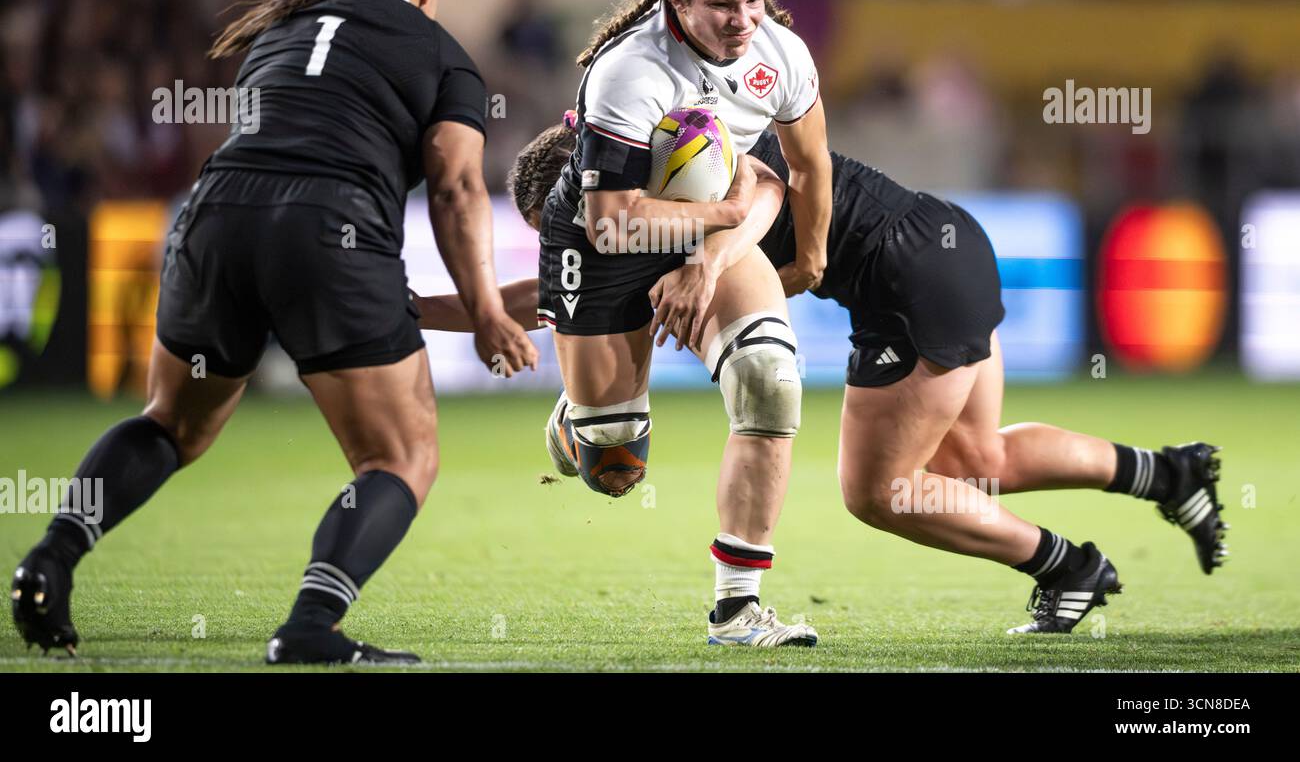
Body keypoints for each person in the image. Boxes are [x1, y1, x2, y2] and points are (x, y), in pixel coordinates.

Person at [10, 0, 538, 665]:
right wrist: (488, 311)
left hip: (214, 216)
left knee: (170, 423)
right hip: (330, 226)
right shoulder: (443, 53)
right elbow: (456, 187)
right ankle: (310, 626)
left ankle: (50, 559)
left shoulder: (281, 30)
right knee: (399, 458)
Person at [472, 117, 1227, 636]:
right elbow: (556, 303)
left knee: (879, 491)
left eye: (554, 239)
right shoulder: (651, 172)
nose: (567, 260)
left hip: (904, 280)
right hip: (947, 241)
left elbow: (763, 190)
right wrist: (451, 309)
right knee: (976, 461)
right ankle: (1168, 473)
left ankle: (1069, 568)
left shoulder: (671, 165)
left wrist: (709, 263)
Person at [533, 0, 832, 646]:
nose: (743, 20)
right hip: (606, 236)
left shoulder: (783, 55)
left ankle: (737, 608)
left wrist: (809, 257)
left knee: (768, 378)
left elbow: (809, 165)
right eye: (722, 3)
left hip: (711, 217)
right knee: (615, 471)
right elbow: (612, 221)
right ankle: (580, 425)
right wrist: (728, 215)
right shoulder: (630, 70)